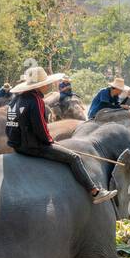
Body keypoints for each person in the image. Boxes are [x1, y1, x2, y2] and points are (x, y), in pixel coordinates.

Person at [7, 66, 115, 204]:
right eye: (47, 83)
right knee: (74, 157)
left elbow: (11, 125)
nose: (50, 85)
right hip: (32, 146)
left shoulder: (15, 99)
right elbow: (40, 128)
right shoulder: (36, 101)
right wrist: (49, 141)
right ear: (40, 86)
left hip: (17, 145)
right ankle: (95, 192)